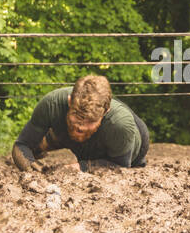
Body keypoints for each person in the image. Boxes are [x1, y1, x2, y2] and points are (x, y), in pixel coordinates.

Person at [11, 74, 150, 172]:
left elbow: (121, 167)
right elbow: (21, 145)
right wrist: (31, 170)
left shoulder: (119, 125)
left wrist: (80, 167)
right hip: (65, 135)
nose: (80, 126)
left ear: (105, 112)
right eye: (76, 115)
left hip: (125, 147)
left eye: (90, 121)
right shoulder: (52, 104)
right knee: (39, 144)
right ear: (69, 101)